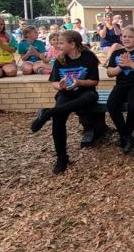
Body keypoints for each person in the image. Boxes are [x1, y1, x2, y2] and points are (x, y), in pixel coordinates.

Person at [30, 30, 101, 174]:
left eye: (61, 42)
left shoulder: (89, 58)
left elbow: (94, 81)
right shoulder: (60, 59)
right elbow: (54, 82)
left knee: (91, 97)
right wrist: (60, 86)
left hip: (85, 92)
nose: (58, 45)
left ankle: (48, 112)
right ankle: (62, 158)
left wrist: (79, 82)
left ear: (73, 44)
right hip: (66, 94)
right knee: (58, 119)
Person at [105, 26, 134, 154]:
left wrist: (131, 64)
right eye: (124, 36)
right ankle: (126, 136)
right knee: (112, 105)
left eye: (130, 36)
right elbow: (110, 73)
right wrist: (121, 66)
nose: (127, 39)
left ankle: (126, 135)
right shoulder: (116, 53)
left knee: (133, 105)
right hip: (121, 85)